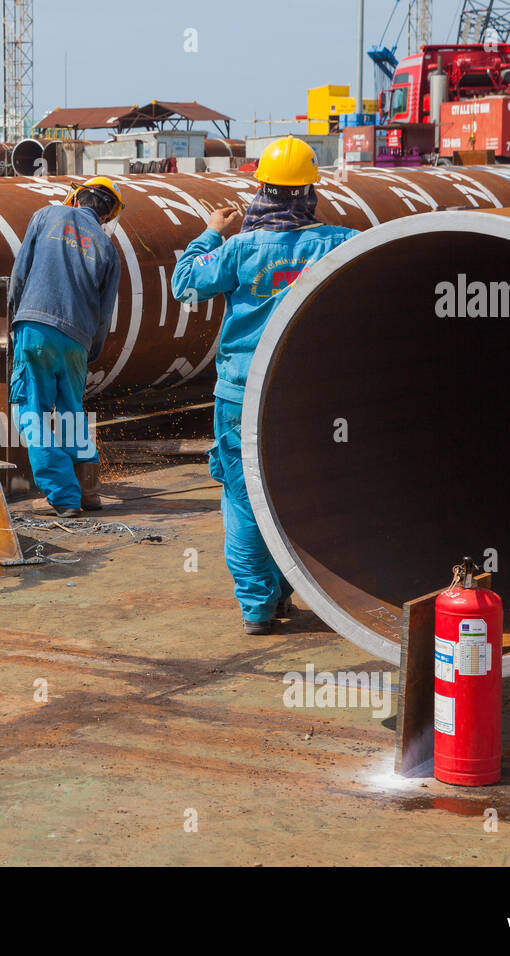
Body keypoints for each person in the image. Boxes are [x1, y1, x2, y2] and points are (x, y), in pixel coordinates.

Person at [172, 136, 358, 636]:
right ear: (309, 191)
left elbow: (185, 283)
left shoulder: (239, 248)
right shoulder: (340, 242)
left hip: (241, 392)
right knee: (294, 493)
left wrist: (211, 233)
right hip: (307, 395)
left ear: (263, 190)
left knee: (242, 496)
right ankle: (285, 589)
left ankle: (258, 606)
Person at [8, 176, 123, 517]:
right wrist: (92, 349)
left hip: (36, 327)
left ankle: (64, 496)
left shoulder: (45, 216)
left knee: (32, 411)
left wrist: (16, 320)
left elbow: (19, 274)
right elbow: (105, 311)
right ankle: (89, 490)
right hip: (78, 339)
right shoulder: (107, 247)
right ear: (107, 216)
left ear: (75, 198)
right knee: (72, 410)